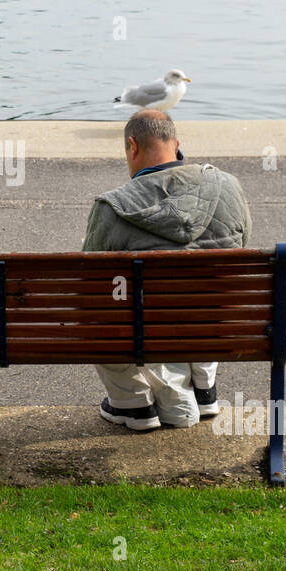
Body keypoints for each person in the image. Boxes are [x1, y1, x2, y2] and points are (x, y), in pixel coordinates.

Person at [81, 110, 253, 431]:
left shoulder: (111, 207)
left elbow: (90, 287)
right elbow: (240, 251)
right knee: (212, 289)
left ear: (133, 147)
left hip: (147, 331)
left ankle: (133, 404)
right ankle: (204, 389)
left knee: (101, 312)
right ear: (177, 145)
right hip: (217, 325)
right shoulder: (229, 186)